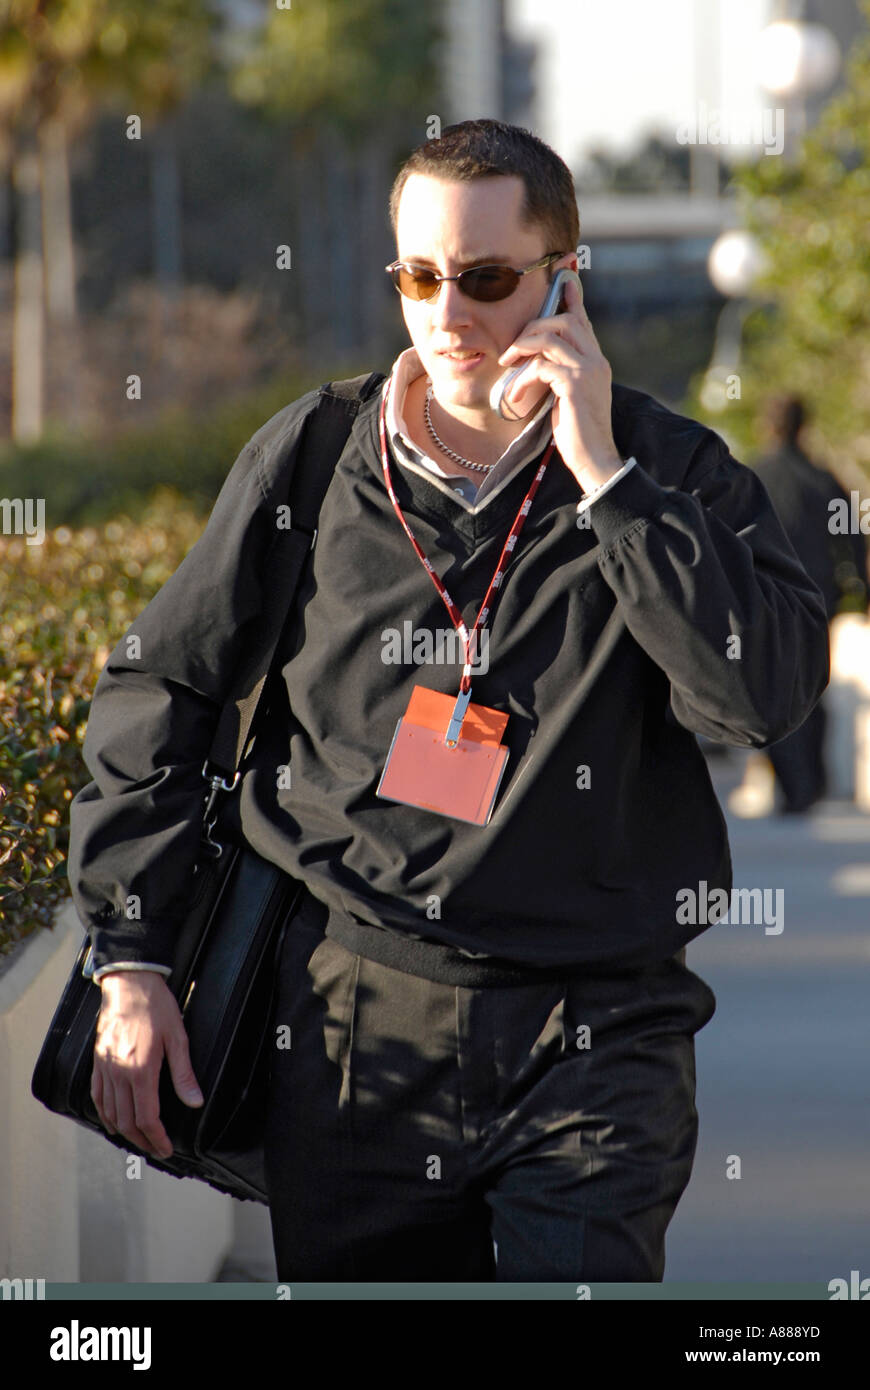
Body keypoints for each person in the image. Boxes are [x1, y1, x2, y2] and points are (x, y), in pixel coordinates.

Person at [67, 119, 829, 1283]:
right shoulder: (315, 456)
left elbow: (759, 698)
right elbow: (161, 680)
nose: (448, 312)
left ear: (565, 279)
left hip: (598, 1036)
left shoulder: (668, 472)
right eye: (420, 276)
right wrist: (132, 955)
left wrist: (608, 481)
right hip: (350, 1031)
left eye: (484, 278)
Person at [752, 394, 868, 814]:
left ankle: (790, 784)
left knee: (768, 687)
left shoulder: (750, 477)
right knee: (813, 688)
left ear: (769, 426)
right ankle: (808, 784)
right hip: (817, 600)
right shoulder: (822, 479)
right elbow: (852, 537)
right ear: (804, 427)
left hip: (762, 599)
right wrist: (858, 586)